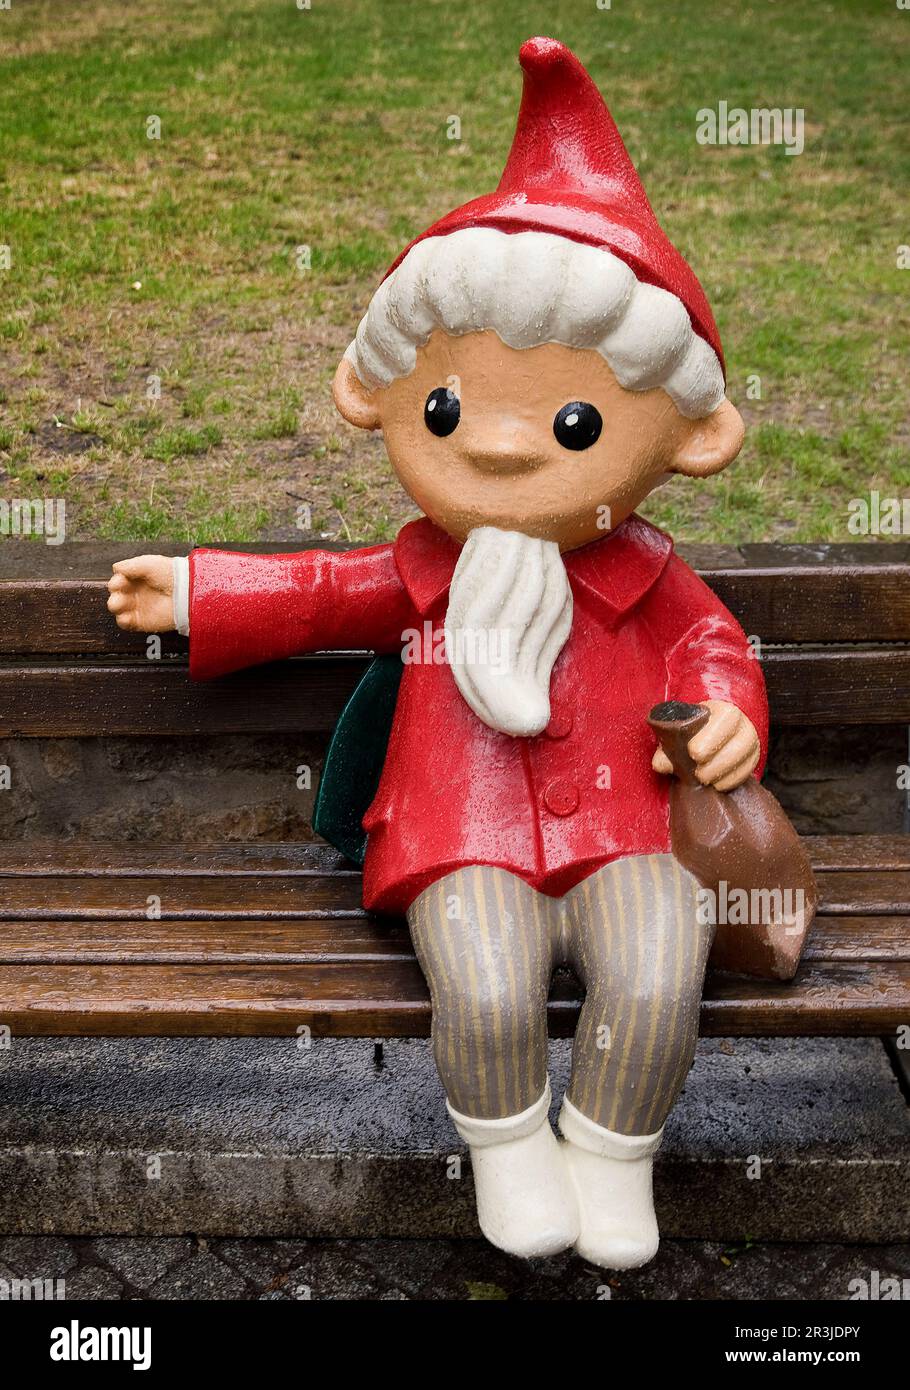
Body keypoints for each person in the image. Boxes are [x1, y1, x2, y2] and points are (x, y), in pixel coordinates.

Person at [108, 37, 767, 1269]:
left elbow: (716, 651)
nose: (507, 450)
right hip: (455, 828)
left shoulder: (650, 578)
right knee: (484, 980)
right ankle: (509, 1142)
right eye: (453, 410)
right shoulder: (421, 568)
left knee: (658, 964)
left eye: (571, 421)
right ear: (385, 396)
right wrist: (197, 589)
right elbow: (317, 591)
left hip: (627, 823)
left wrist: (728, 712)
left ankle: (616, 1147)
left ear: (686, 435)